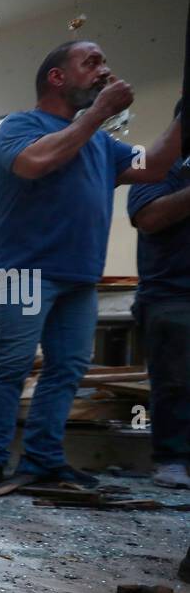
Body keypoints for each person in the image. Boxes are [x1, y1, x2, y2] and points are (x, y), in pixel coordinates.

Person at [0, 40, 184, 492]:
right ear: (56, 77)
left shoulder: (103, 145)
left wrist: (184, 117)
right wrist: (99, 111)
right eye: (92, 62)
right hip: (19, 270)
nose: (103, 70)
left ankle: (44, 459)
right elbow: (34, 162)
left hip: (78, 277)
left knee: (67, 368)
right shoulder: (19, 126)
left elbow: (157, 166)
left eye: (105, 60)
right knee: (12, 363)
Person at [127, 107, 189, 489]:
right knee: (177, 381)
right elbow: (148, 216)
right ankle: (172, 459)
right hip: (172, 295)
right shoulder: (159, 166)